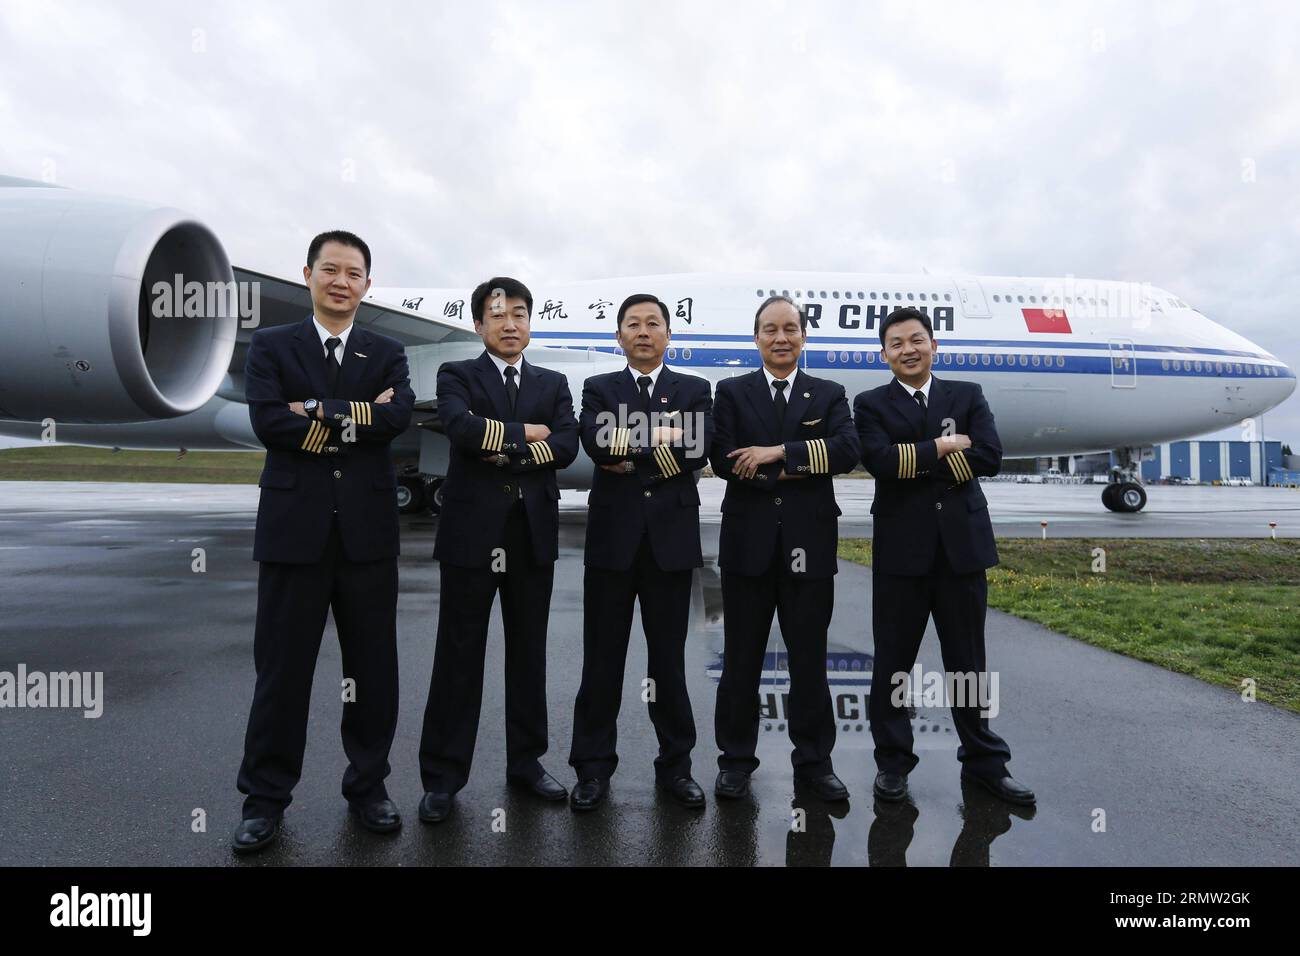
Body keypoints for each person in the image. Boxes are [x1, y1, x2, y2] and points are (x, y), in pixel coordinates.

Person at [233, 230, 414, 854]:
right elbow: (268, 420)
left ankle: (369, 787)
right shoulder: (272, 344)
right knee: (281, 673)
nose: (341, 281)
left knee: (373, 672)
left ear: (369, 284)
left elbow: (397, 417)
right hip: (294, 535)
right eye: (330, 270)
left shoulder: (386, 351)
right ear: (307, 274)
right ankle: (265, 800)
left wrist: (313, 409)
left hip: (366, 536)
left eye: (354, 272)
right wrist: (354, 415)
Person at [853, 306, 1034, 806]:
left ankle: (984, 763)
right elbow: (882, 464)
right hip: (901, 555)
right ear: (884, 354)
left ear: (934, 345)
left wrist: (919, 457)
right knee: (892, 665)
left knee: (968, 664)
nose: (908, 349)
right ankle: (892, 764)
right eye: (896, 343)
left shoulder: (966, 394)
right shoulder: (870, 404)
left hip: (961, 551)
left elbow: (990, 456)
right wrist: (945, 447)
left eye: (917, 339)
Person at [417, 276, 579, 823]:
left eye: (519, 314)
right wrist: (527, 436)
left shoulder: (553, 382)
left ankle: (527, 763)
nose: (510, 323)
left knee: (528, 655)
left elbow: (565, 444)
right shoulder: (456, 374)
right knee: (458, 655)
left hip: (531, 537)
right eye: (497, 314)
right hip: (471, 536)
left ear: (530, 322)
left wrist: (508, 443)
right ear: (479, 324)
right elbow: (461, 431)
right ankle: (442, 778)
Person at [709, 295, 860, 802]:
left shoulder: (830, 393)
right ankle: (734, 761)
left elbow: (845, 451)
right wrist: (801, 468)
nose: (781, 338)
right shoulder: (730, 393)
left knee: (809, 660)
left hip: (809, 546)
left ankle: (815, 764)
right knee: (741, 661)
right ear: (756, 338)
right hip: (747, 546)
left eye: (790, 329)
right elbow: (725, 458)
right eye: (770, 329)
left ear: (803, 336)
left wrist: (777, 454)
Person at [567, 294, 713, 811]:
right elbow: (599, 445)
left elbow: (698, 447)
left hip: (670, 548)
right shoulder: (598, 387)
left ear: (669, 335)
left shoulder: (694, 388)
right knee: (601, 663)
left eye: (654, 323)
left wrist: (632, 452)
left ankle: (676, 768)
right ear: (619, 336)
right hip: (612, 546)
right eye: (633, 324)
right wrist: (663, 439)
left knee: (668, 665)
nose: (644, 331)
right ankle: (591, 769)